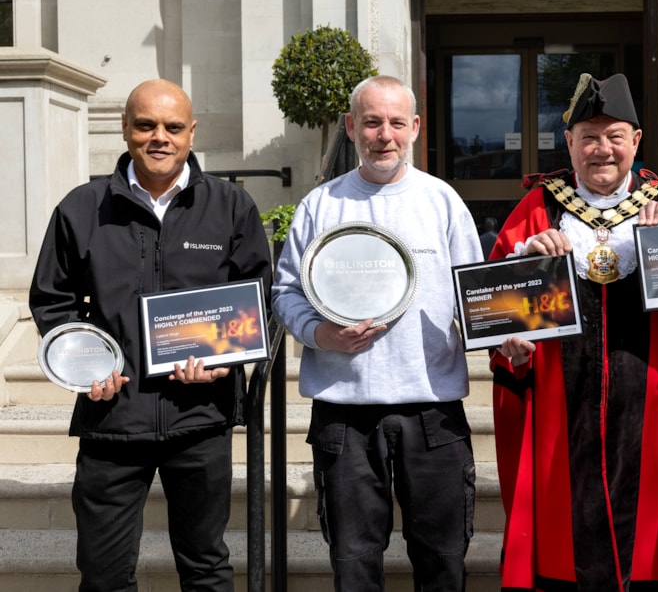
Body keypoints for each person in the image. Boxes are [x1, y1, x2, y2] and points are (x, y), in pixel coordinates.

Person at [488, 72, 658, 591]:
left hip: (651, 394)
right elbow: (496, 317)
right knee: (565, 524)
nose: (603, 150)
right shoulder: (537, 210)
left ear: (636, 142)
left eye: (615, 136)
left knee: (646, 527)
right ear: (570, 144)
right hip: (562, 397)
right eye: (589, 138)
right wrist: (514, 320)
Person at [29, 79, 273, 591]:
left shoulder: (231, 207)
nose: (158, 137)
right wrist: (85, 367)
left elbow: (258, 296)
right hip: (112, 418)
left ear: (191, 133)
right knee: (103, 574)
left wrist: (226, 357)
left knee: (206, 568)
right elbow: (54, 301)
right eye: (145, 125)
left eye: (172, 126)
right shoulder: (82, 208)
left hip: (200, 417)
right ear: (125, 129)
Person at [271, 75, 483, 590]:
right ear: (351, 127)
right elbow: (284, 294)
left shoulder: (442, 201)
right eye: (371, 122)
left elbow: (475, 295)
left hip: (432, 410)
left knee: (442, 560)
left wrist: (507, 338)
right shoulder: (321, 205)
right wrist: (322, 335)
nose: (383, 134)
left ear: (414, 127)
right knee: (353, 562)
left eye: (394, 122)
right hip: (345, 415)